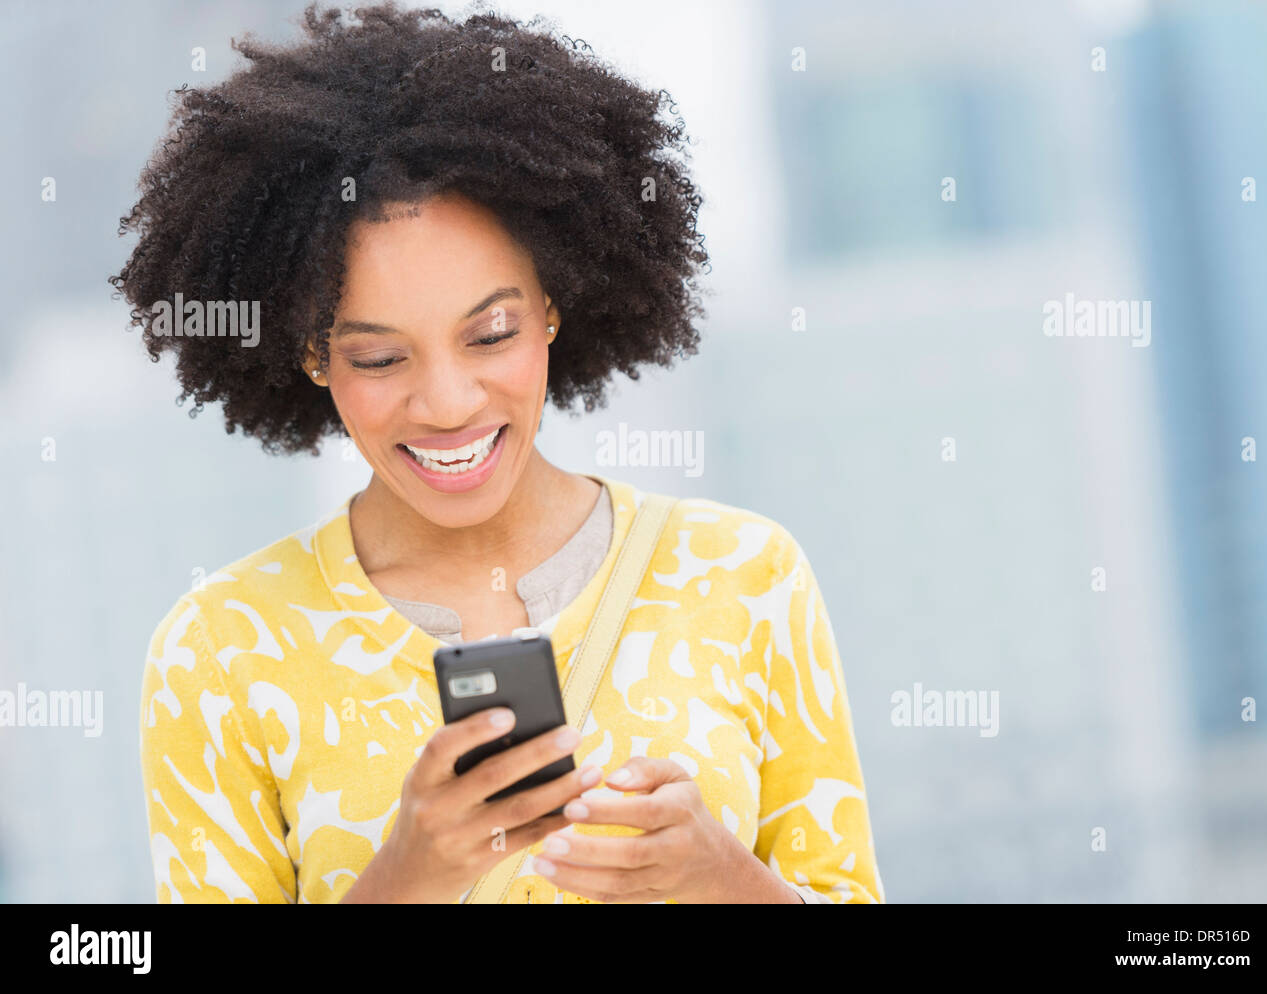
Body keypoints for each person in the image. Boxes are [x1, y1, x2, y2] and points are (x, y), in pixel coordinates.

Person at [116, 1, 884, 904]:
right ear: (310, 353)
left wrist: (724, 880)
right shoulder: (222, 651)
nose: (447, 403)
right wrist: (407, 877)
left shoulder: (745, 577)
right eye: (378, 356)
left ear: (553, 305)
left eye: (491, 334)